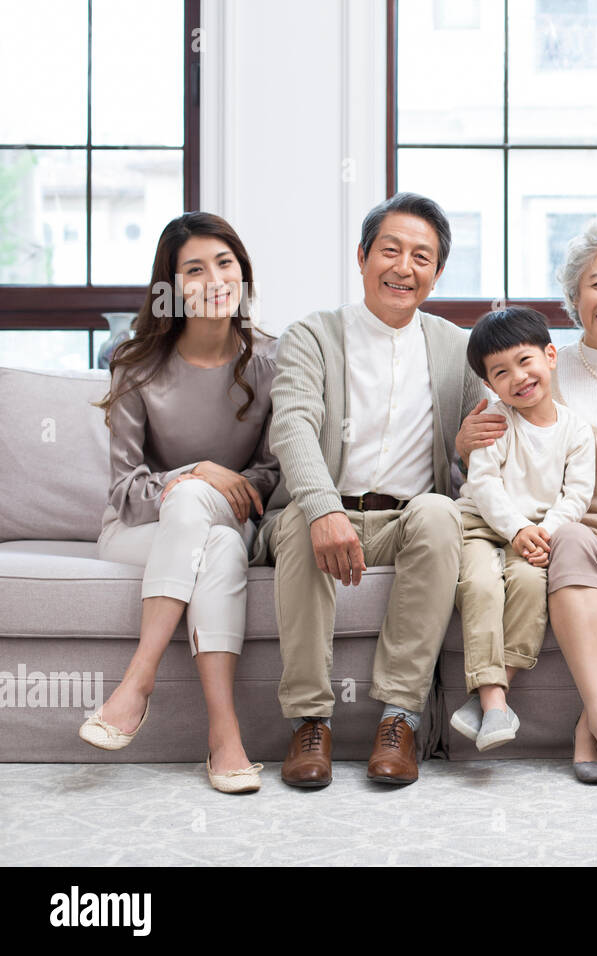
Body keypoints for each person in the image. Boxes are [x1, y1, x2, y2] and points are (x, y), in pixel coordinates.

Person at [261, 192, 484, 788]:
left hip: (406, 521)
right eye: (390, 250)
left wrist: (466, 449)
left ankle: (400, 721)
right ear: (362, 257)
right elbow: (293, 426)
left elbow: (484, 453)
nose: (403, 268)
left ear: (437, 273)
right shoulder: (312, 334)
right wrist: (323, 508)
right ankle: (309, 723)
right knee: (300, 521)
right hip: (323, 511)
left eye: (421, 257)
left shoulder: (457, 348)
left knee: (441, 514)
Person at [457, 216, 597, 790]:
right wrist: (463, 445)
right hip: (564, 529)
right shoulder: (532, 366)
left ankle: (591, 721)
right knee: (574, 537)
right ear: (575, 293)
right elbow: (490, 457)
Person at [82, 212, 277, 794]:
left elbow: (270, 475)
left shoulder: (273, 360)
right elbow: (126, 492)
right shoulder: (136, 363)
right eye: (194, 270)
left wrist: (208, 483)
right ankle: (223, 736)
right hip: (137, 530)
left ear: (243, 273)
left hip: (232, 517)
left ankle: (136, 689)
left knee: (211, 525)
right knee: (210, 535)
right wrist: (195, 473)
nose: (214, 280)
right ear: (170, 287)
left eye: (224, 263)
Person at [449, 307, 595, 751]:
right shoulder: (495, 422)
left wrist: (543, 532)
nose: (518, 377)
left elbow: (577, 495)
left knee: (531, 586)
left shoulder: (576, 429)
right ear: (489, 385)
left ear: (550, 356)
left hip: (535, 535)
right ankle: (495, 702)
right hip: (481, 524)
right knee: (481, 586)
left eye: (525, 361)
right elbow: (484, 484)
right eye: (501, 372)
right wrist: (515, 529)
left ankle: (491, 697)